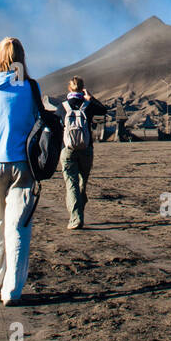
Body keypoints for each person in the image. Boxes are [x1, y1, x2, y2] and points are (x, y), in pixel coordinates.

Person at [0, 37, 39, 306]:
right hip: (23, 163)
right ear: (22, 56)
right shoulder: (31, 87)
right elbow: (38, 121)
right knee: (18, 226)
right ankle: (12, 290)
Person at [59, 76, 105, 230]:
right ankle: (80, 213)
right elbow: (104, 110)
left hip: (68, 150)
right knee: (81, 184)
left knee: (71, 185)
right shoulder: (88, 105)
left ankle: (75, 218)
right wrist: (90, 98)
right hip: (86, 150)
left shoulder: (63, 106)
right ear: (83, 88)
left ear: (69, 88)